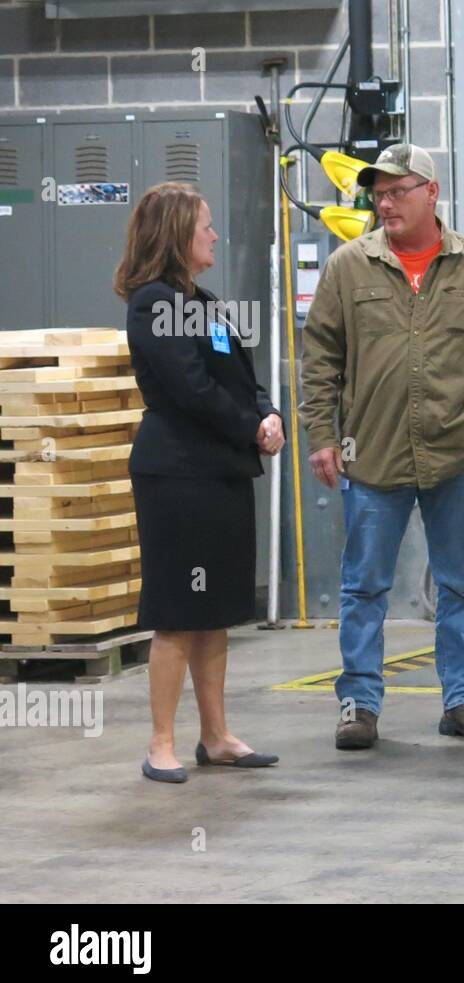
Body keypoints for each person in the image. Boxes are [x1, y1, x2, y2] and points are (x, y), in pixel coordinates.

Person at [300, 144, 464, 750]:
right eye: (379, 192)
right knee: (364, 586)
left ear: (431, 191)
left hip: (457, 454)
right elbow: (318, 359)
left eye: (398, 190)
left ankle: (463, 700)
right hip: (372, 452)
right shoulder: (348, 267)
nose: (385, 201)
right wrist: (322, 435)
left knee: (461, 584)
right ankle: (358, 704)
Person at [115, 181, 283, 784]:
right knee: (179, 613)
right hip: (177, 474)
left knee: (213, 612)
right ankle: (162, 743)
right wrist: (250, 427)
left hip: (220, 472)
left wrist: (268, 415)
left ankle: (216, 737)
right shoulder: (152, 303)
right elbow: (190, 389)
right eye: (205, 226)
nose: (215, 235)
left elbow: (241, 373)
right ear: (177, 235)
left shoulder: (204, 301)